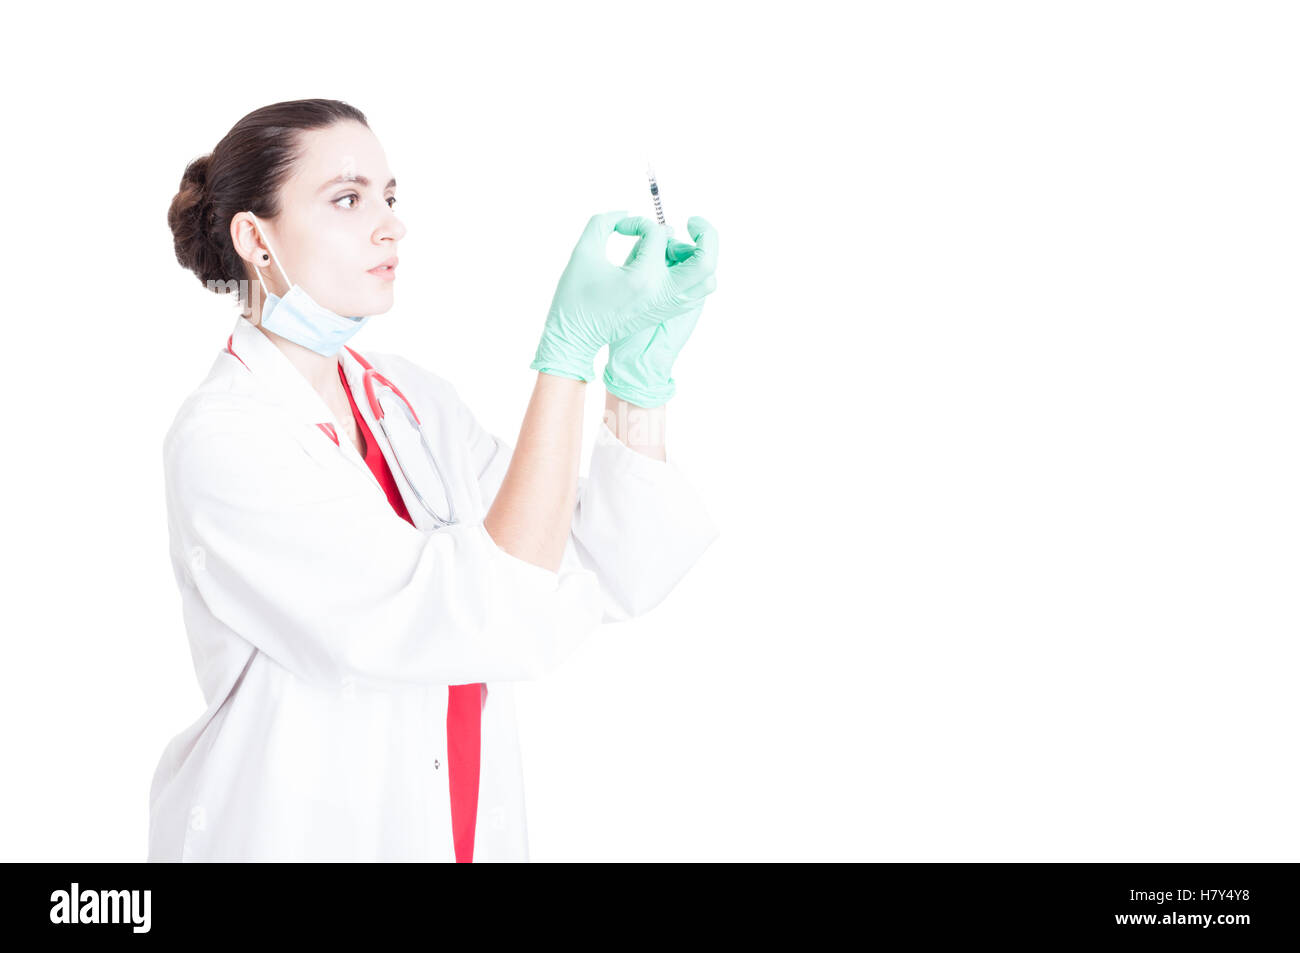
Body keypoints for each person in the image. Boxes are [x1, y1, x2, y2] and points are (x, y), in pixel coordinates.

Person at [151, 98, 721, 862]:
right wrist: (566, 355)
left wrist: (637, 385)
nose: (391, 225)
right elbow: (476, 613)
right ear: (254, 238)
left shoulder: (412, 401)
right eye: (348, 199)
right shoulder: (225, 440)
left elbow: (591, 559)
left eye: (390, 197)